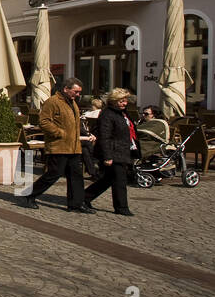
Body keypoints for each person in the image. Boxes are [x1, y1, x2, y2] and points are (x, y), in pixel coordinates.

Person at [20, 76, 94, 212]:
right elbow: (44, 122)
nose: (78, 95)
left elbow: (76, 123)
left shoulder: (73, 103)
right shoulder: (52, 102)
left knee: (76, 176)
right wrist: (60, 133)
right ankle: (30, 195)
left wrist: (85, 135)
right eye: (76, 92)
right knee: (54, 174)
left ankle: (76, 204)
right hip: (59, 146)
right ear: (66, 89)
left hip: (74, 147)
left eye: (79, 92)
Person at [85, 88, 138, 216]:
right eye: (121, 101)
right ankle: (121, 207)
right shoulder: (107, 114)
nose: (124, 103)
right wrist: (107, 156)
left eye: (125, 101)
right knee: (120, 180)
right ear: (113, 101)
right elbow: (104, 136)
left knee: (108, 179)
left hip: (122, 150)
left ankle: (85, 197)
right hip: (113, 152)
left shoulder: (122, 113)